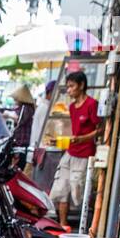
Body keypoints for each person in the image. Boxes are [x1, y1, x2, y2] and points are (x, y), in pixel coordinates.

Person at [50, 70, 101, 229]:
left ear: (81, 85)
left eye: (71, 86)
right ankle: (62, 224)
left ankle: (90, 224)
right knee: (61, 188)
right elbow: (74, 131)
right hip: (70, 152)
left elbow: (100, 129)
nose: (69, 90)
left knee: (78, 189)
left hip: (85, 153)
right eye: (68, 87)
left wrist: (82, 139)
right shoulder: (72, 107)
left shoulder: (92, 104)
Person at [31, 79, 55, 152]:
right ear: (50, 93)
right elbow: (46, 131)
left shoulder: (45, 106)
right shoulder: (45, 108)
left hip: (40, 147)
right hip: (41, 149)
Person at [10, 83, 35, 151]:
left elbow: (20, 120)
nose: (15, 101)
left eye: (16, 99)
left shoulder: (27, 108)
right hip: (19, 140)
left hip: (23, 141)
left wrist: (8, 114)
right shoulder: (21, 108)